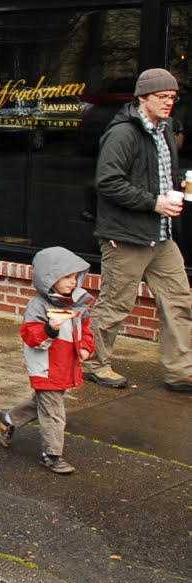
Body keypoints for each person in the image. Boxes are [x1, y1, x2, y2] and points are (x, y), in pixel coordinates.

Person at [86, 67, 192, 393]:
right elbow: (108, 182)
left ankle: (180, 372)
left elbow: (159, 176)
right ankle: (94, 363)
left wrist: (180, 187)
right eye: (162, 97)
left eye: (172, 97)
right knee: (115, 304)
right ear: (142, 97)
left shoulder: (165, 130)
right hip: (126, 235)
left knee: (179, 301)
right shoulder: (123, 133)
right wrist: (154, 202)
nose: (169, 102)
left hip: (161, 235)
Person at [0, 247, 95, 474]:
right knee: (54, 412)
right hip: (46, 367)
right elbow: (31, 336)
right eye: (67, 278)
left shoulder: (76, 303)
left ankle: (9, 418)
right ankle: (52, 455)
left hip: (65, 365)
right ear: (50, 279)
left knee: (42, 402)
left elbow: (86, 329)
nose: (73, 282)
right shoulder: (39, 306)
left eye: (75, 277)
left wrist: (86, 348)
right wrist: (50, 329)